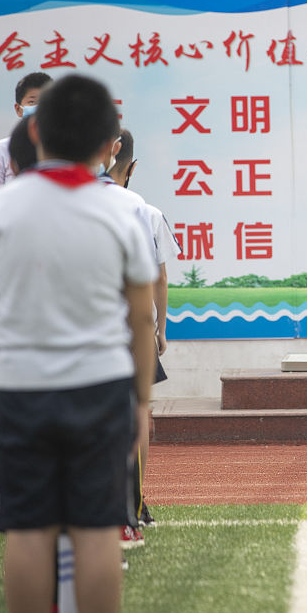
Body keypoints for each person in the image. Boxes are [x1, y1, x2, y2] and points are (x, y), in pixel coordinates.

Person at [0, 73, 157, 613]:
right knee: (96, 530)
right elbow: (141, 319)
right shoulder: (123, 209)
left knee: (29, 529)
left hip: (20, 386)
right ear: (109, 143)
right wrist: (141, 404)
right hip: (101, 387)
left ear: (32, 130)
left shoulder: (0, 210)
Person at [105, 128, 180, 530]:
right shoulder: (143, 208)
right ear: (130, 164)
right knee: (137, 414)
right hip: (131, 326)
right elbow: (158, 278)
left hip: (85, 325)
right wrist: (160, 330)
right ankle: (135, 502)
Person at [0, 72, 53, 195]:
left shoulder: (64, 149)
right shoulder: (1, 149)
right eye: (32, 102)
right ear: (18, 109)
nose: (39, 108)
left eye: (45, 102)